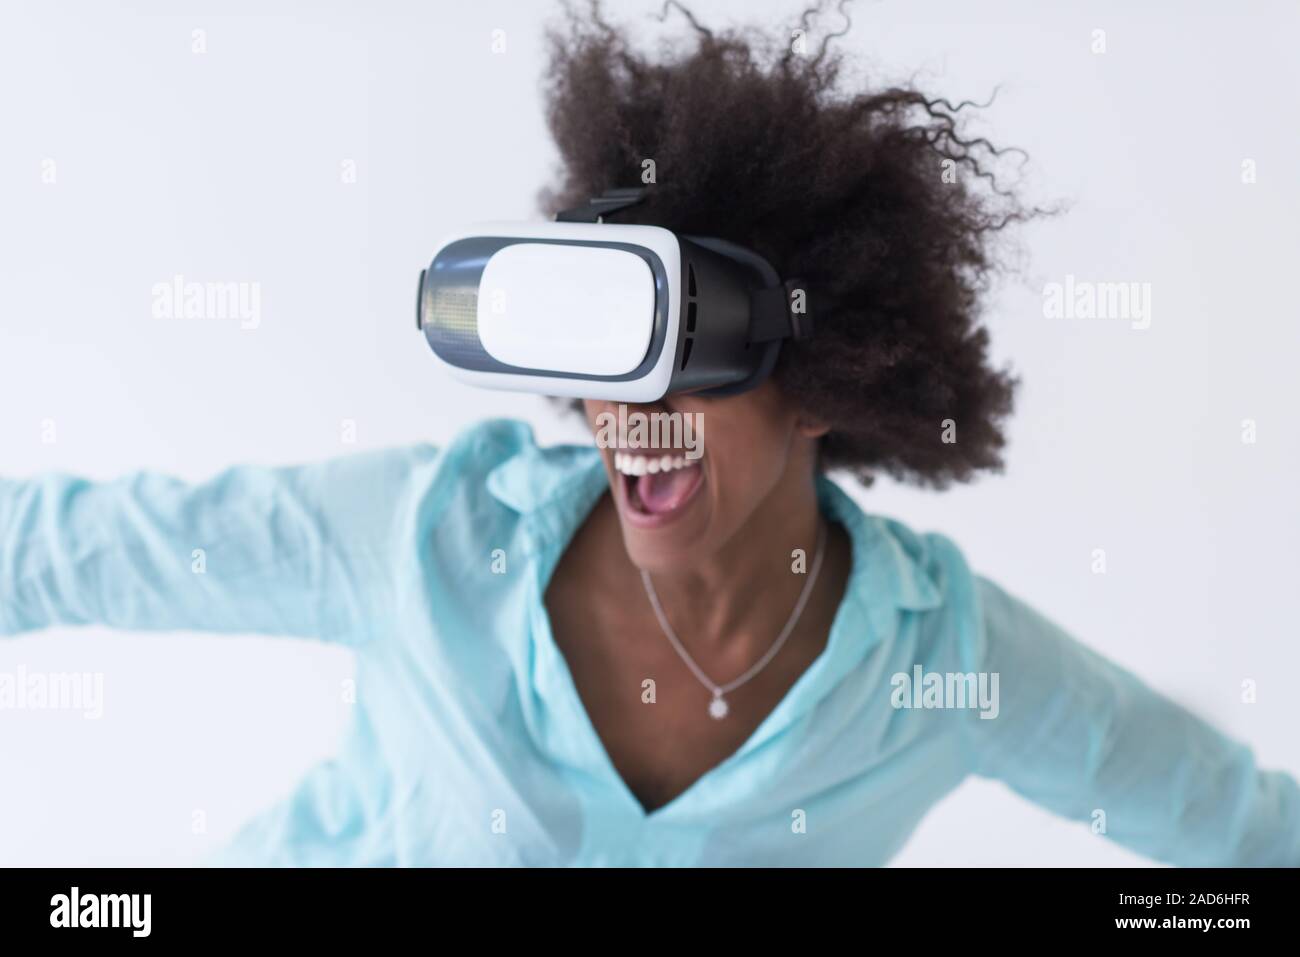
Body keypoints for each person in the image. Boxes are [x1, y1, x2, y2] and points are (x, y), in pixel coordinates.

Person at [2, 2, 1297, 866]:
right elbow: (63, 550)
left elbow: (1230, 824)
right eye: (604, 356)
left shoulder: (941, 663)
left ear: (828, 373)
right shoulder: (424, 538)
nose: (631, 410)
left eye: (686, 361)